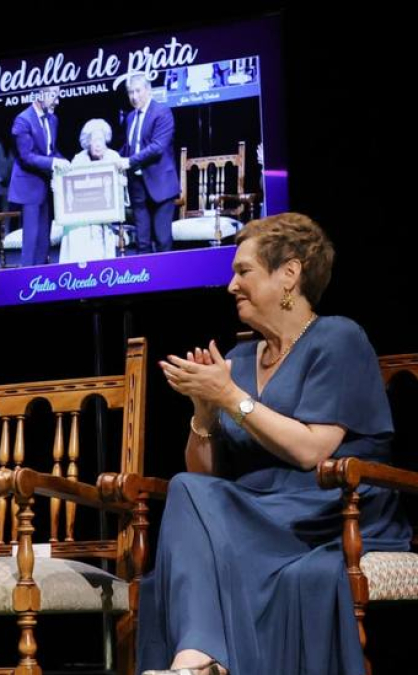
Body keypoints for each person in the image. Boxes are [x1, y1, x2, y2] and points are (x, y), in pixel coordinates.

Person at [145, 212, 411, 674]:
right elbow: (206, 476)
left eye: (243, 271)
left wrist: (230, 396)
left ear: (289, 273)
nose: (231, 286)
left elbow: (313, 450)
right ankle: (197, 662)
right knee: (188, 487)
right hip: (258, 512)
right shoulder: (239, 358)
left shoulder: (338, 338)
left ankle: (201, 661)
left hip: (327, 510)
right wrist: (204, 411)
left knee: (195, 506)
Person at [8, 85, 71, 266]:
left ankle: (42, 277)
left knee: (44, 236)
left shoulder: (53, 119)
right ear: (40, 95)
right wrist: (54, 163)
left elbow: (51, 151)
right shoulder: (22, 120)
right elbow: (26, 156)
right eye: (54, 96)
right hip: (29, 185)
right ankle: (26, 276)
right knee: (32, 237)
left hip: (47, 184)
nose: (57, 102)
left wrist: (67, 162)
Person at [118, 73, 180, 254]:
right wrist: (111, 158)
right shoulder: (130, 117)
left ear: (148, 90)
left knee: (162, 240)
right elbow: (129, 147)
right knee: (142, 242)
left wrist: (129, 162)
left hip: (160, 185)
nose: (134, 96)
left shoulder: (162, 112)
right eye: (130, 92)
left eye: (138, 91)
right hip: (137, 186)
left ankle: (168, 280)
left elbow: (157, 147)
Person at [60, 119, 127, 263]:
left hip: (108, 215)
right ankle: (79, 267)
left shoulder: (114, 157)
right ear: (87, 142)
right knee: (75, 229)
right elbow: (71, 189)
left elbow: (122, 189)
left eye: (101, 140)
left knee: (99, 225)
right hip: (84, 214)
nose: (97, 144)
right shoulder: (79, 159)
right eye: (93, 140)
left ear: (106, 140)